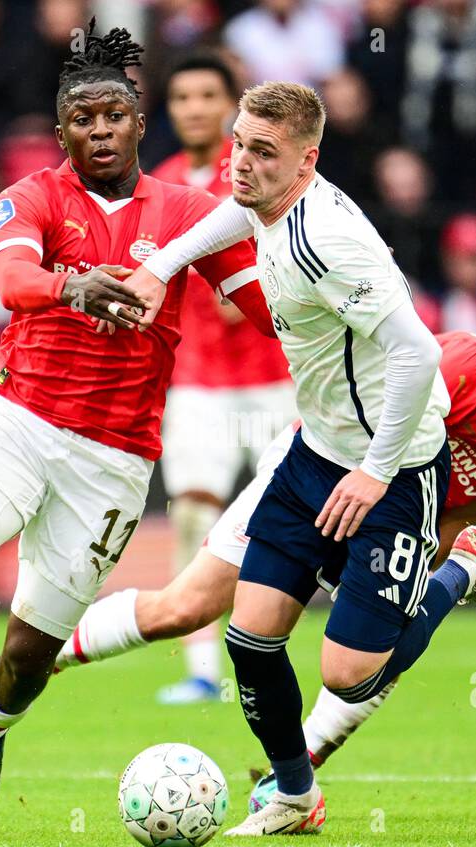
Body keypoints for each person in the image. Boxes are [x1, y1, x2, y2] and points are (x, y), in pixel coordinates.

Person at [0, 283, 476, 789]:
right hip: (314, 477)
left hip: (393, 524)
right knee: (183, 609)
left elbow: (453, 513)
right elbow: (353, 421)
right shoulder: (460, 368)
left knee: (359, 662)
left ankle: (300, 771)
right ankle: (26, 666)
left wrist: (420, 571)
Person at [0, 22, 273, 831]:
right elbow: (14, 276)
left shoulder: (191, 211)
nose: (99, 131)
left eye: (114, 118)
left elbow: (266, 304)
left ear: (138, 124)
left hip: (114, 453)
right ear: (61, 132)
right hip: (17, 413)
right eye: (83, 119)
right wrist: (73, 287)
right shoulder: (30, 197)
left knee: (28, 652)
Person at [126, 81, 476, 836]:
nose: (240, 161)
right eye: (240, 142)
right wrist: (163, 265)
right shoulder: (266, 194)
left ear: (307, 160)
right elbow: (234, 212)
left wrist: (376, 472)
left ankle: (461, 569)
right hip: (314, 452)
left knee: (348, 673)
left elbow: (415, 354)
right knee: (250, 638)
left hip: (398, 468)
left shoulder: (329, 241)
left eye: (262, 152)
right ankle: (293, 794)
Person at [148, 53, 295, 705]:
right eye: (182, 97)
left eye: (209, 95)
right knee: (193, 514)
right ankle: (203, 670)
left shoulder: (270, 174)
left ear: (233, 106)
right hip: (200, 381)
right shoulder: (162, 187)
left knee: (302, 519)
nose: (195, 108)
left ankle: (275, 651)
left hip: (276, 376)